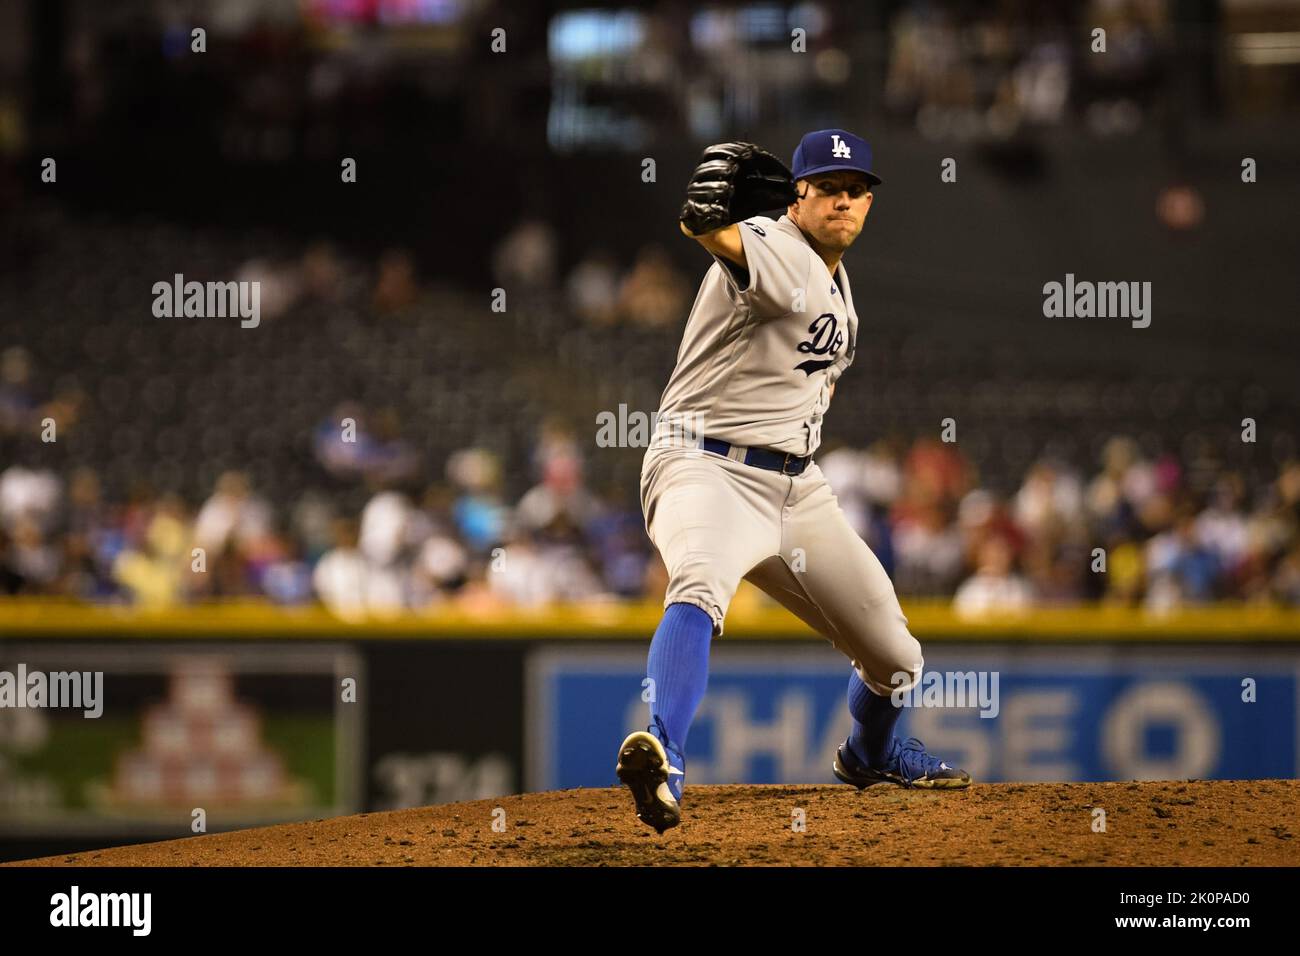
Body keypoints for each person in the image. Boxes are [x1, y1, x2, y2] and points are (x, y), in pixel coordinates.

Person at [616, 130, 971, 834]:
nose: (844, 198)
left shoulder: (839, 286)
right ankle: (668, 756)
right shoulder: (775, 244)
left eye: (856, 188)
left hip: (795, 488)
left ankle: (870, 755)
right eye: (828, 186)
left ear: (869, 201)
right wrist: (704, 225)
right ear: (796, 195)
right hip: (704, 466)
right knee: (698, 585)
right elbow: (723, 240)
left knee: (897, 659)